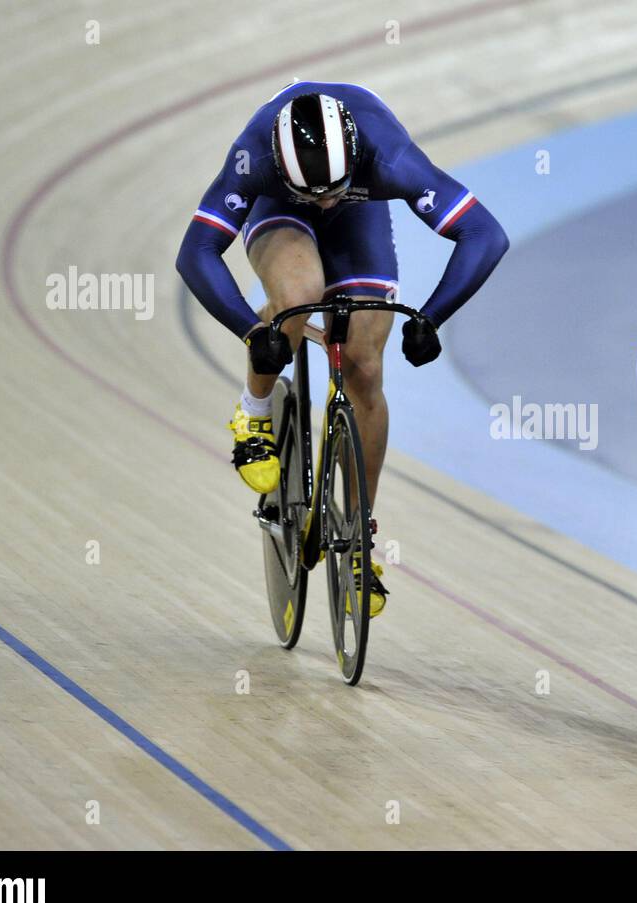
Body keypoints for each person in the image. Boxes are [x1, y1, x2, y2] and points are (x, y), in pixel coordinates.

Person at [177, 83, 509, 616]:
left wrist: (431, 317)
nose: (323, 202)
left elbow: (484, 235)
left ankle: (357, 538)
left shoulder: (389, 155)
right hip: (278, 209)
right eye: (313, 191)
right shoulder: (255, 155)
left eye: (331, 189)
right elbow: (195, 252)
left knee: (364, 369)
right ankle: (254, 412)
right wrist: (249, 331)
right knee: (297, 296)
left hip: (363, 214)